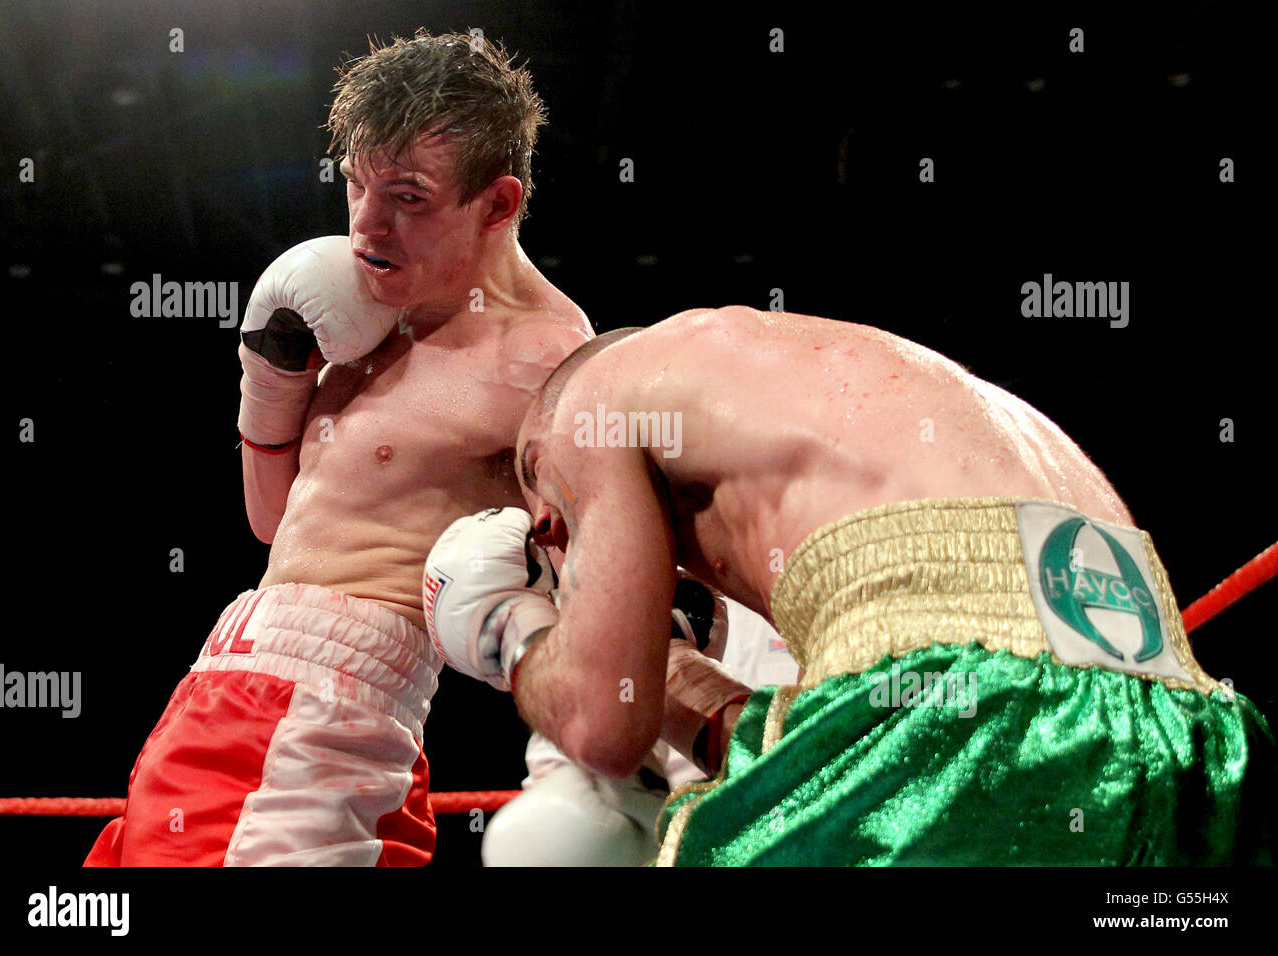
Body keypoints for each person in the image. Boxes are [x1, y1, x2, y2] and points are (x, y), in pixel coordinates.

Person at [424, 307, 1276, 866]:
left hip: (977, 726)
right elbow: (911, 730)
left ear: (544, 504)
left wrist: (516, 630)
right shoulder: (857, 391)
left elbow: (601, 724)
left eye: (555, 526)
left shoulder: (587, 411)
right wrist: (676, 666)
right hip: (1197, 741)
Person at [85, 30, 592, 866]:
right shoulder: (368, 309)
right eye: (355, 184)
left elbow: (597, 573)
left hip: (311, 711)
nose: (366, 225)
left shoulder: (543, 362)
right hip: (246, 678)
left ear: (498, 204)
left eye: (408, 196)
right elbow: (271, 521)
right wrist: (272, 378)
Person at [481, 597, 796, 866]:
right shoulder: (623, 582)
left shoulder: (818, 584)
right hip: (664, 820)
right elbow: (563, 804)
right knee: (554, 836)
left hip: (793, 820)